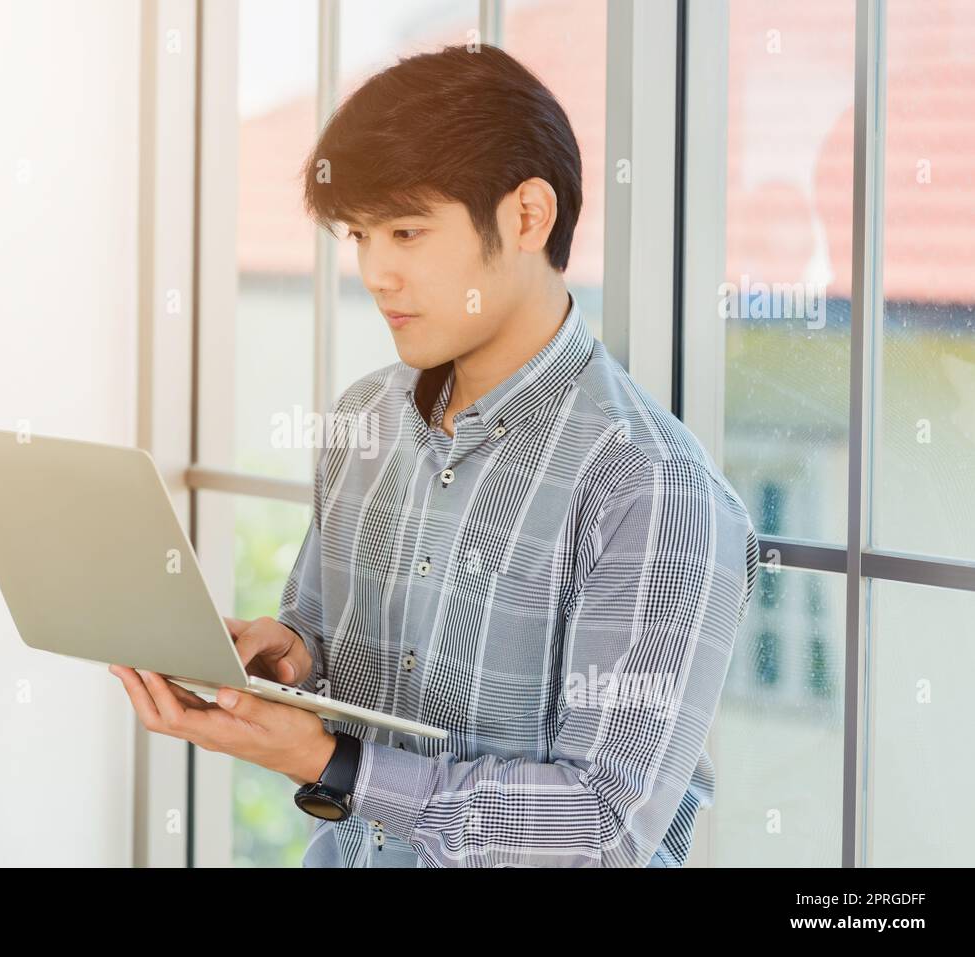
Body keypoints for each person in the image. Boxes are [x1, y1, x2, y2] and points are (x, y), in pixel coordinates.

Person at [111, 42, 759, 867]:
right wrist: (294, 654)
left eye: (407, 231)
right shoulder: (366, 417)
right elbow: (330, 644)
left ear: (529, 216)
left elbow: (603, 828)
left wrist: (329, 763)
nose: (377, 272)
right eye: (359, 236)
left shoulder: (651, 488)